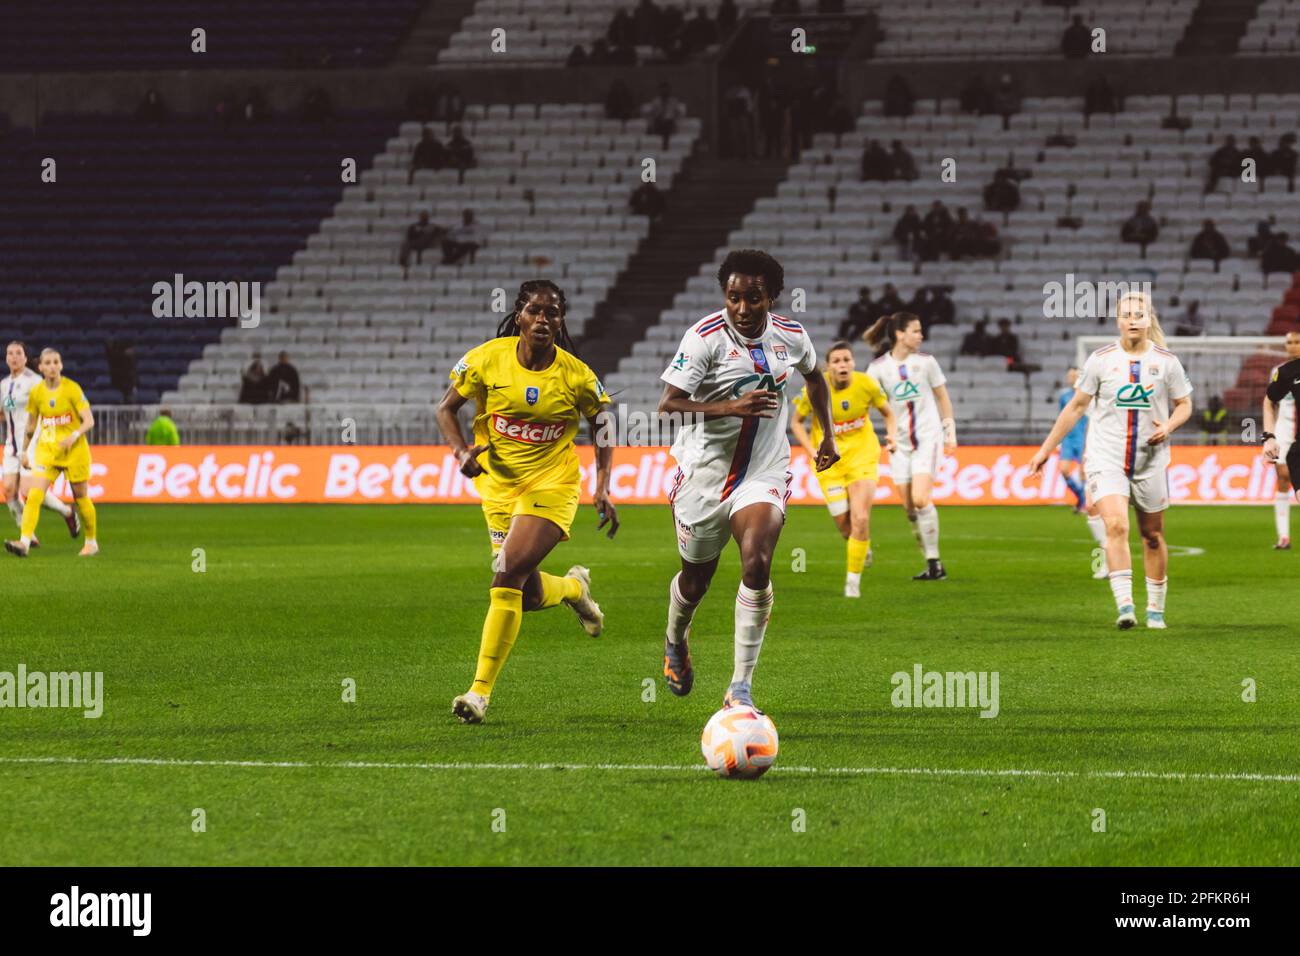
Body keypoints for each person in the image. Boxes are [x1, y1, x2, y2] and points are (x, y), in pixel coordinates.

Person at [657, 249, 838, 711]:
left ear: (771, 297)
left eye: (753, 297)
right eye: (734, 296)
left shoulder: (792, 336)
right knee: (696, 581)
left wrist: (826, 436)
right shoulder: (704, 338)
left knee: (756, 561)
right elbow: (669, 404)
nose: (742, 307)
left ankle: (740, 687)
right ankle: (676, 639)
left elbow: (815, 378)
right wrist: (728, 408)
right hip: (704, 476)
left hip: (764, 469)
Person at [436, 280, 618, 724]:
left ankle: (478, 693)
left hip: (552, 487)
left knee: (505, 578)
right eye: (535, 311)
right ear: (519, 314)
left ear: (560, 321)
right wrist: (462, 453)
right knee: (528, 593)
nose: (543, 320)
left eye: (552, 313)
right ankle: (575, 590)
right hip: (498, 489)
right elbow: (446, 409)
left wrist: (602, 484)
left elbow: (605, 422)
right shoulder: (486, 359)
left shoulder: (575, 374)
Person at [1029, 291, 1193, 629]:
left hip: (1151, 461)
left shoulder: (1167, 362)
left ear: (1149, 320)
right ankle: (1125, 607)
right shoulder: (1100, 360)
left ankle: (1156, 611)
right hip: (1107, 458)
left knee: (1152, 535)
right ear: (1118, 320)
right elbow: (1075, 407)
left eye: (1139, 314)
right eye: (1126, 314)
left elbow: (1185, 404)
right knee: (1116, 525)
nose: (1133, 320)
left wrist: (1170, 425)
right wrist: (1046, 449)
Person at [789, 341, 897, 597]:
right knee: (846, 527)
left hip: (863, 457)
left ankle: (852, 584)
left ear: (853, 363)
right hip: (830, 464)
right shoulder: (815, 387)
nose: (843, 365)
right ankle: (862, 545)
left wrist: (891, 436)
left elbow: (889, 414)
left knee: (860, 518)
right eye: (837, 361)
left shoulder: (867, 384)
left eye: (847, 360)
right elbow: (796, 422)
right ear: (829, 366)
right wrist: (810, 450)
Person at [866, 312, 958, 579]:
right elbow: (868, 401)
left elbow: (943, 397)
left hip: (928, 439)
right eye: (916, 331)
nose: (921, 335)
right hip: (900, 445)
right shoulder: (878, 368)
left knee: (920, 499)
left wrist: (949, 431)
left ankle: (935, 562)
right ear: (900, 334)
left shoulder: (927, 363)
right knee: (909, 507)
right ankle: (931, 564)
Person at [5, 348, 99, 558]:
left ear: (61, 365)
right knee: (34, 495)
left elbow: (89, 420)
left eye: (56, 362)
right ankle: (24, 543)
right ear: (40, 367)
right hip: (48, 451)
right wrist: (24, 452)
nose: (52, 366)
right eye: (47, 363)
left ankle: (91, 542)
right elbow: (31, 425)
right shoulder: (37, 393)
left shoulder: (72, 389)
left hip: (74, 451)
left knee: (80, 497)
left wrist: (73, 436)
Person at [1263, 330, 1300, 548]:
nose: (1293, 345)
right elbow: (1270, 401)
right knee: (1283, 476)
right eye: (1289, 342)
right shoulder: (1280, 372)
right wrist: (1270, 435)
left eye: (1297, 341)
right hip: (1284, 427)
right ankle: (1284, 535)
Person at [1057, 367, 1089, 514]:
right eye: (1070, 375)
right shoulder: (1064, 396)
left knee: (1084, 472)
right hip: (1068, 439)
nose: (1072, 378)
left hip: (1083, 437)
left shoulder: (1086, 395)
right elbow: (1061, 418)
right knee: (1063, 470)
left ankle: (1083, 504)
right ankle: (1081, 499)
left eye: (1075, 376)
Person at [643, 82, 685, 149]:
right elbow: (650, 114)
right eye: (662, 90)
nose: (664, 91)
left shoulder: (674, 101)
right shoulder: (655, 101)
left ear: (669, 90)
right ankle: (656, 144)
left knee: (667, 122)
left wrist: (675, 118)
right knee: (657, 123)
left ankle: (665, 145)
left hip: (669, 123)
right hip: (658, 123)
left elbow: (679, 113)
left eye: (666, 90)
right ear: (659, 91)